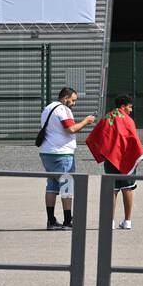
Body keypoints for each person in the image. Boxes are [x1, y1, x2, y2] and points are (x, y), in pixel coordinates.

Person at [85, 95, 143, 230]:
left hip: (110, 159)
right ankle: (128, 221)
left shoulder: (107, 118)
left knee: (112, 190)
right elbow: (134, 139)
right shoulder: (128, 120)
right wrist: (137, 157)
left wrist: (103, 153)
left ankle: (109, 222)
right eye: (130, 107)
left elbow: (95, 137)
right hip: (127, 159)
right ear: (123, 106)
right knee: (128, 188)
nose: (131, 110)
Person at [38, 87, 95, 230]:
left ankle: (51, 221)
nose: (74, 104)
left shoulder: (48, 108)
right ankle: (68, 220)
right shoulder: (63, 110)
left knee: (51, 185)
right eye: (73, 100)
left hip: (47, 152)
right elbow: (71, 129)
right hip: (62, 153)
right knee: (66, 186)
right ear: (65, 98)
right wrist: (86, 121)